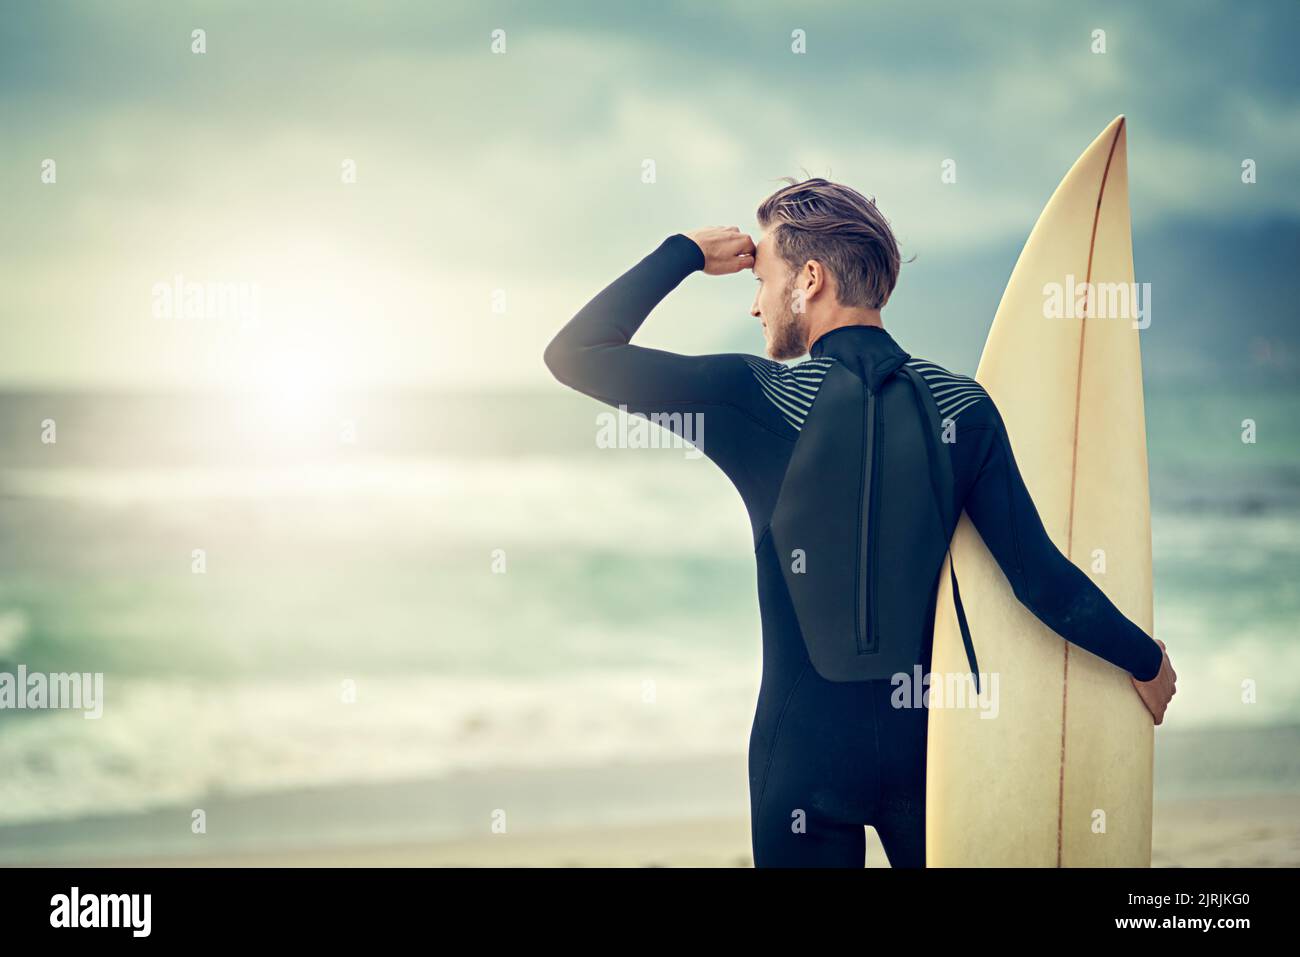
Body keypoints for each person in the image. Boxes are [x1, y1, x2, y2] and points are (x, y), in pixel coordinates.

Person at [543, 177, 1178, 868]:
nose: (755, 303)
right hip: (930, 758)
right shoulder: (962, 407)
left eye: (762, 277)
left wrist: (685, 253)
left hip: (801, 760)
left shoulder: (753, 396)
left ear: (809, 278)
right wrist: (1144, 660)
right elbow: (1039, 578)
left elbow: (575, 353)